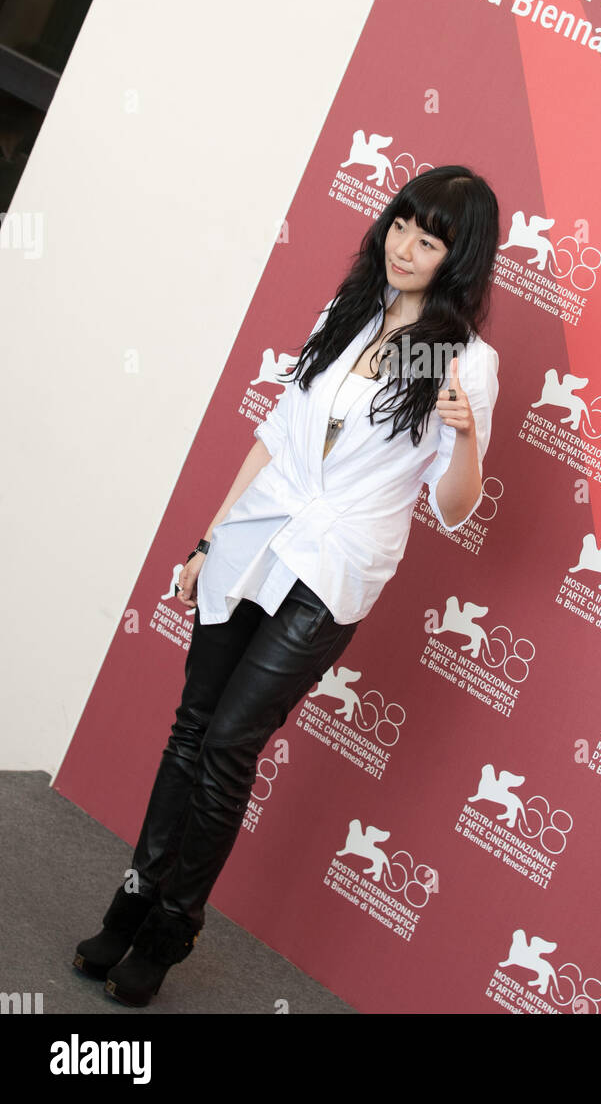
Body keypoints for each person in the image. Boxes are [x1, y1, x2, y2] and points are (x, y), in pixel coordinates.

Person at [72, 165, 501, 1007]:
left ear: (459, 257)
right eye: (400, 227)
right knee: (191, 727)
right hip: (259, 535)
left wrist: (469, 437)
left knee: (231, 743)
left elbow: (453, 509)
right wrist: (208, 537)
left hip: (334, 566)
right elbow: (274, 436)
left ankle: (172, 925)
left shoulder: (461, 361)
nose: (404, 248)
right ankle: (133, 897)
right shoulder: (352, 313)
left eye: (428, 238)